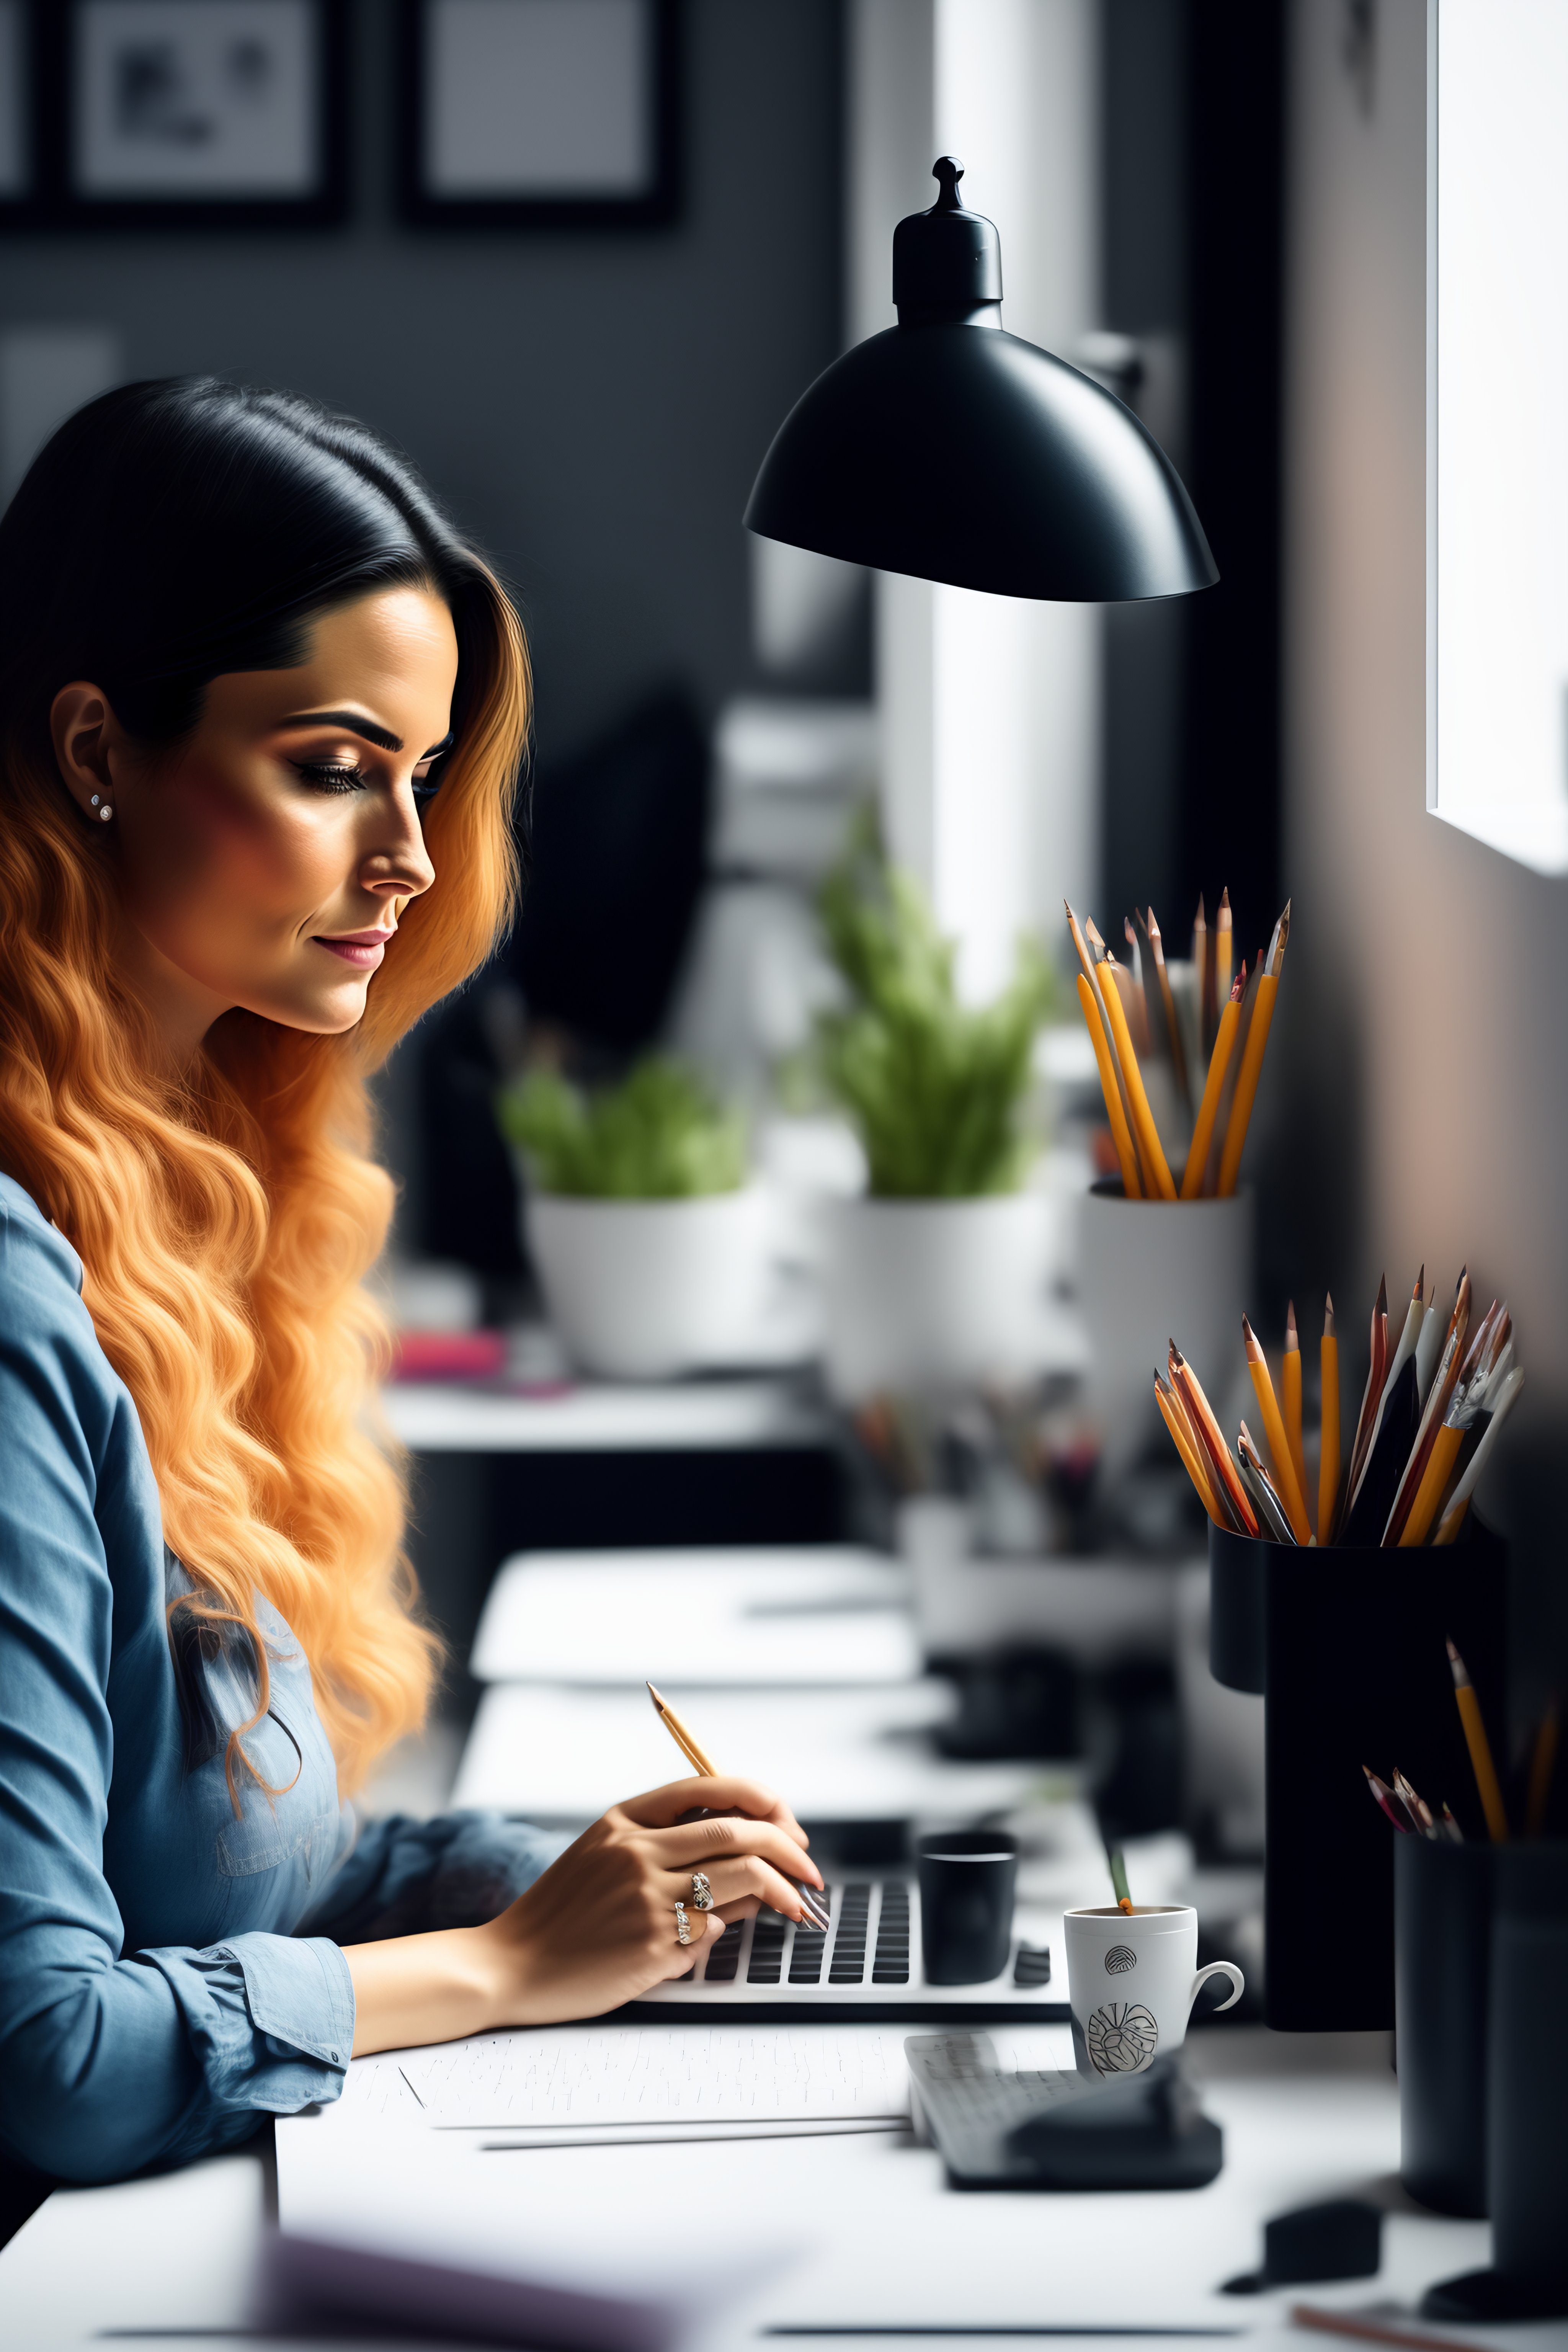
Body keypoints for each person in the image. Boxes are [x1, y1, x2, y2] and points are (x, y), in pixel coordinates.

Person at [0, 380, 823, 2189]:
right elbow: (43, 2050)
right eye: (332, 766)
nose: (418, 857)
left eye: (426, 775)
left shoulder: (188, 1205)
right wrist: (509, 1965)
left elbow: (227, 1889)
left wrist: (549, 1871)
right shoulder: (12, 1307)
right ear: (96, 751)